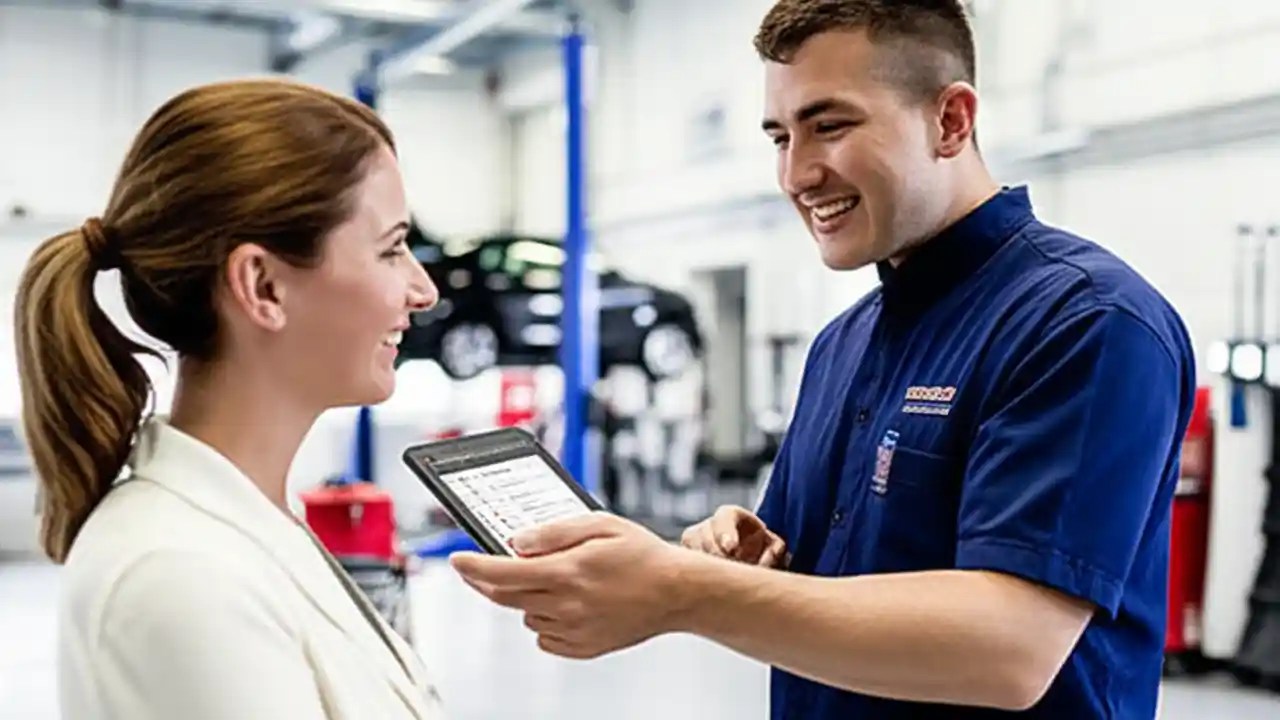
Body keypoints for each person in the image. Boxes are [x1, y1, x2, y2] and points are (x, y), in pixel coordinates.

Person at [449, 1, 1196, 718]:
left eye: (829, 126)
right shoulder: (845, 342)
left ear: (951, 119)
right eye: (780, 137)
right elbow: (821, 589)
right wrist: (738, 557)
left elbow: (1008, 648)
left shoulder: (1086, 322)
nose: (796, 174)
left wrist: (683, 591)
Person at [15, 78, 445, 719]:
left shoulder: (249, 528)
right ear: (262, 285)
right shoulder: (181, 576)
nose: (424, 290)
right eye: (391, 250)